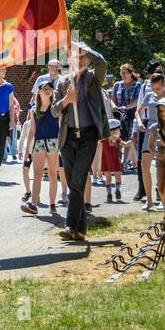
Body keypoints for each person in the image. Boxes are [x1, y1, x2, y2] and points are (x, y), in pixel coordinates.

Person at [53, 41, 109, 242]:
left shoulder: (94, 79)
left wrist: (86, 49)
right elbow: (54, 110)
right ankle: (81, 231)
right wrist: (66, 100)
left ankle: (69, 226)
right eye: (76, 57)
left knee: (78, 178)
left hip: (88, 136)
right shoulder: (62, 83)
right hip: (67, 137)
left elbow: (102, 63)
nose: (80, 60)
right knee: (74, 183)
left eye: (82, 57)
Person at [134, 73, 165, 209]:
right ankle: (149, 200)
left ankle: (164, 199)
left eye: (158, 88)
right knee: (144, 164)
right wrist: (139, 122)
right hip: (150, 131)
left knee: (163, 166)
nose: (155, 91)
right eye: (153, 88)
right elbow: (138, 111)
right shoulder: (148, 96)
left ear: (164, 85)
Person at [99, 118, 128, 202]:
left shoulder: (116, 139)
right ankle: (109, 193)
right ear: (113, 130)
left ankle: (117, 190)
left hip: (115, 160)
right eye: (118, 129)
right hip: (106, 160)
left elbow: (125, 144)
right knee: (108, 178)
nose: (119, 131)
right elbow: (97, 144)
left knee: (118, 177)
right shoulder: (104, 140)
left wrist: (132, 140)